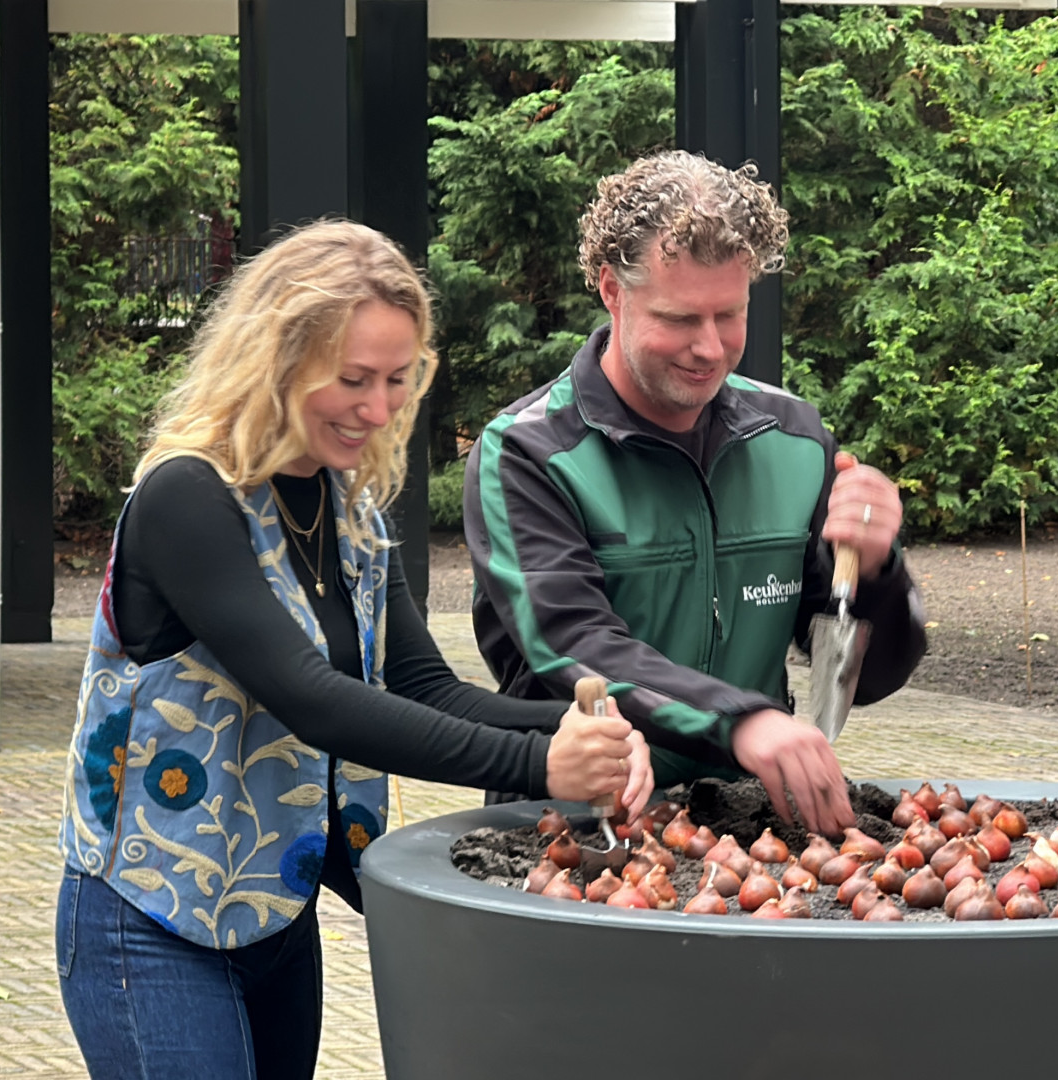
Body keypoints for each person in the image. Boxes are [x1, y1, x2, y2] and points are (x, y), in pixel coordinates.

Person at [54, 220, 651, 1079]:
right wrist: (542, 764)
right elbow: (311, 696)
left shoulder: (349, 509)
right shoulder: (186, 495)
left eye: (398, 381)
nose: (378, 410)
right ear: (277, 360)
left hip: (271, 916)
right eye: (352, 380)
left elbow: (424, 689)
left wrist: (588, 726)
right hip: (148, 924)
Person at [464, 151, 927, 838]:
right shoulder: (529, 453)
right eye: (680, 319)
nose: (709, 347)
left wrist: (878, 573)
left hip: (744, 830)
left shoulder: (795, 441)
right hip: (575, 830)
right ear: (611, 291)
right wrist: (743, 720)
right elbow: (572, 642)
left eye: (729, 315)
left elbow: (860, 676)